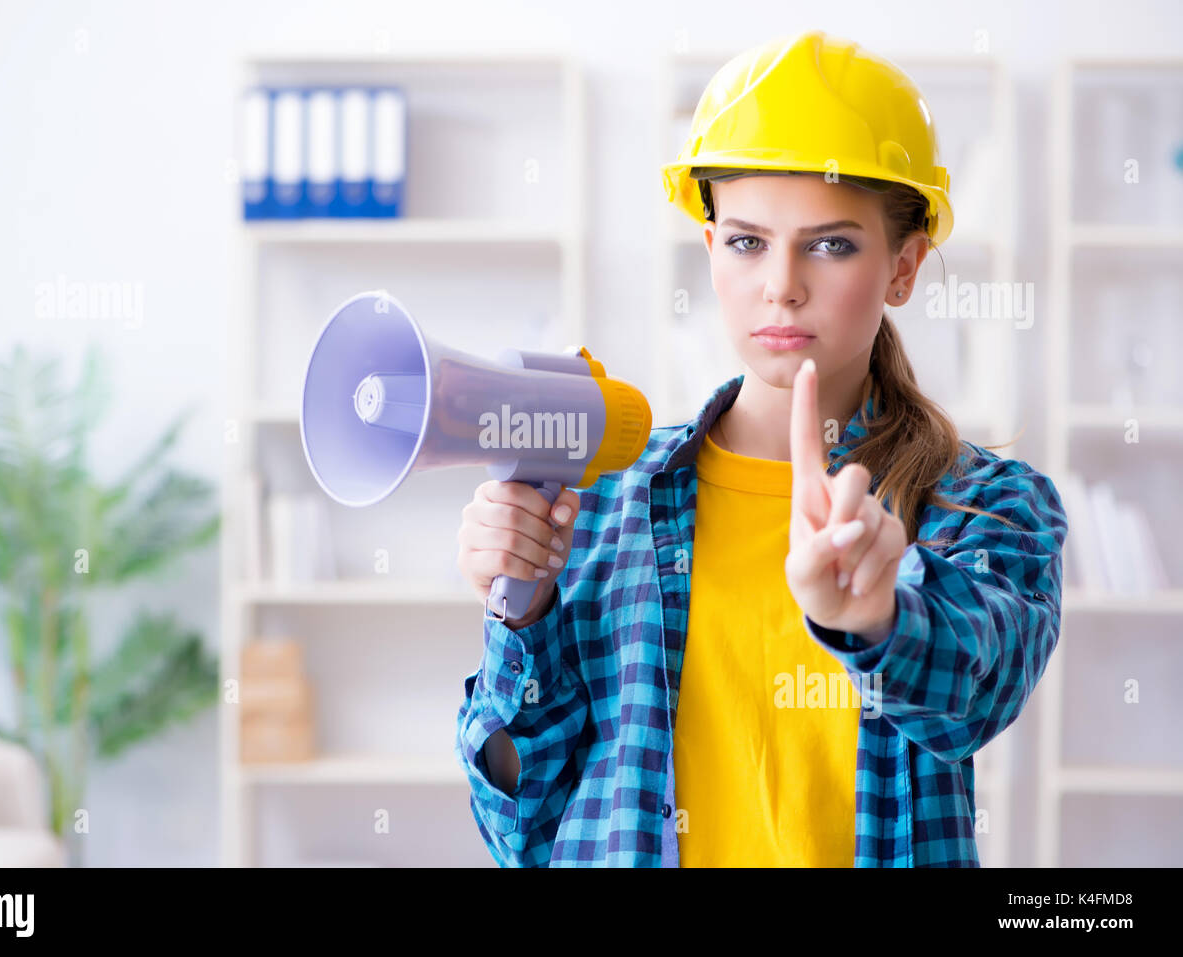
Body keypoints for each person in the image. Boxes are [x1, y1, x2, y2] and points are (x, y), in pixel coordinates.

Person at [453, 29, 1068, 867]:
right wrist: (519, 612)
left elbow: (977, 691)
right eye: (747, 240)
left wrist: (877, 618)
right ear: (711, 250)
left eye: (831, 243)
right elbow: (520, 830)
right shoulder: (596, 500)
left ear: (905, 266)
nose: (781, 282)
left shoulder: (985, 502)